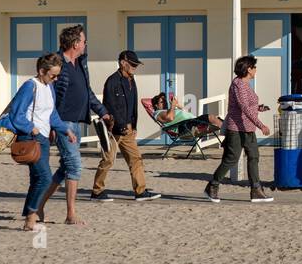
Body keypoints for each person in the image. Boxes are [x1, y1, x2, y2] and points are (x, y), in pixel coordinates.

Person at [36, 25, 112, 226]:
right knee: (74, 165)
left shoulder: (80, 63)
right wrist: (52, 125)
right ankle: (71, 214)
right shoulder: (58, 64)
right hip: (63, 123)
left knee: (65, 168)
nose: (86, 44)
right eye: (84, 41)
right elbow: (51, 98)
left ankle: (37, 206)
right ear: (76, 43)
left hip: (76, 122)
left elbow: (87, 92)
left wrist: (103, 112)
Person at [6, 53, 76, 232]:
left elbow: (51, 114)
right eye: (53, 75)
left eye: (58, 75)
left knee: (36, 179)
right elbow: (16, 113)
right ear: (41, 71)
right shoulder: (30, 86)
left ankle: (30, 219)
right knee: (45, 178)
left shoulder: (49, 87)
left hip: (44, 139)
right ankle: (31, 217)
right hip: (30, 139)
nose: (55, 78)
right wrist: (31, 128)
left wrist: (65, 130)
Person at [91, 51, 161, 203]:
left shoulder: (131, 80)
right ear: (123, 62)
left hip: (128, 129)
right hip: (114, 129)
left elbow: (133, 105)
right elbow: (109, 106)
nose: (135, 67)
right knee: (108, 160)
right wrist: (119, 125)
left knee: (136, 159)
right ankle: (97, 191)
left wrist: (133, 125)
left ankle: (140, 191)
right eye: (133, 64)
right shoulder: (112, 81)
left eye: (136, 64)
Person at [205, 56, 274, 203]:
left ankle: (256, 190)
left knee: (254, 156)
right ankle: (212, 186)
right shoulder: (238, 84)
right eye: (254, 67)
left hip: (248, 128)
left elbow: (247, 106)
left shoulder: (246, 84)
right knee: (231, 159)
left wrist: (259, 108)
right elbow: (243, 107)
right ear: (249, 69)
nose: (256, 70)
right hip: (236, 128)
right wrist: (261, 125)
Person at [151, 92, 223, 137]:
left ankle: (229, 133)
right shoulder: (158, 113)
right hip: (184, 127)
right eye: (162, 102)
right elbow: (170, 118)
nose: (165, 103)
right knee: (210, 117)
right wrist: (172, 106)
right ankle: (230, 134)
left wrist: (177, 105)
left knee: (218, 120)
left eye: (165, 101)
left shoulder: (169, 110)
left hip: (190, 122)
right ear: (156, 105)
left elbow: (186, 112)